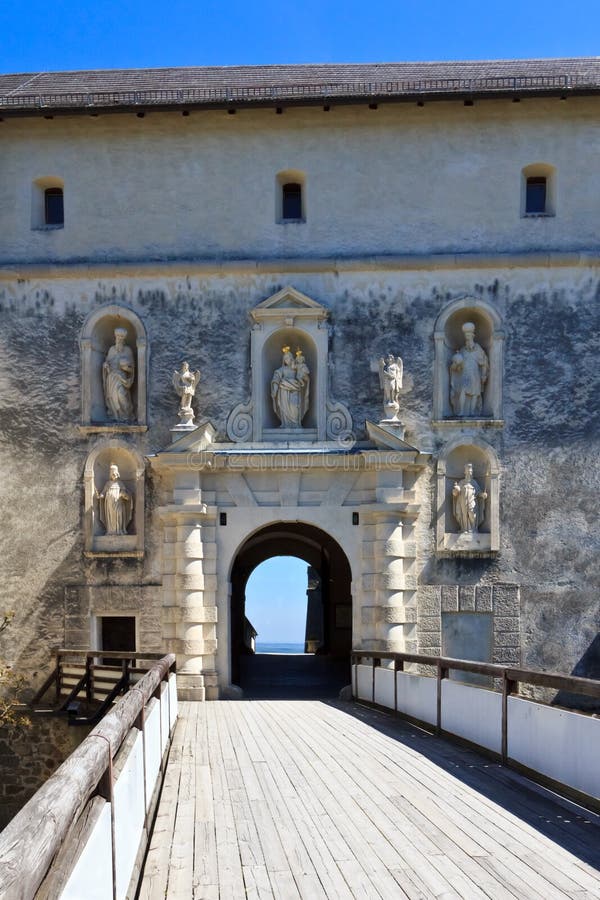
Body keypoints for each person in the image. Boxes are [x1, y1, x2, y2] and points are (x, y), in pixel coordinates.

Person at [449, 322, 489, 416]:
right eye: (466, 335)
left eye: (469, 335)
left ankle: (472, 412)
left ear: (472, 336)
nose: (467, 337)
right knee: (463, 391)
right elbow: (458, 365)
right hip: (465, 373)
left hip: (475, 374)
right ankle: (462, 411)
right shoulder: (462, 350)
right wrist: (456, 365)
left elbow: (483, 363)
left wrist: (483, 374)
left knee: (475, 393)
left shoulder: (478, 349)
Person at [271, 346, 308, 428]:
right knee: (284, 409)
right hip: (283, 392)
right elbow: (276, 378)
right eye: (285, 358)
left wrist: (303, 377)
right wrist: (275, 389)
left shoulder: (296, 369)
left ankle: (296, 424)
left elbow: (303, 377)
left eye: (289, 358)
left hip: (295, 391)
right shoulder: (282, 369)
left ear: (292, 358)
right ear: (284, 360)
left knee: (295, 408)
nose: (287, 360)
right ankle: (285, 424)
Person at [103, 327, 135, 421]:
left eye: (121, 337)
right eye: (118, 336)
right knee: (113, 397)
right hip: (112, 377)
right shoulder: (111, 350)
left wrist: (126, 367)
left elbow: (132, 368)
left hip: (122, 377)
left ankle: (126, 415)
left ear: (124, 338)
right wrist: (105, 365)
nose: (119, 339)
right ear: (115, 337)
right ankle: (115, 415)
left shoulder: (128, 350)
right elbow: (107, 362)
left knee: (121, 394)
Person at [96, 464, 133, 535]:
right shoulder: (108, 483)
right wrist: (101, 495)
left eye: (115, 474)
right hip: (109, 503)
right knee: (111, 516)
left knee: (118, 515)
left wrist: (123, 494)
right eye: (112, 474)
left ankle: (119, 530)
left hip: (118, 502)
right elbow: (103, 492)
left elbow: (125, 493)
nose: (114, 476)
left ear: (117, 474)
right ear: (110, 474)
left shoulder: (120, 483)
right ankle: (111, 531)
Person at [452, 463, 487, 534]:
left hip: (472, 500)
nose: (469, 472)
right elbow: (455, 493)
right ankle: (464, 529)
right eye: (468, 471)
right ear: (465, 472)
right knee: (463, 514)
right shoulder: (461, 482)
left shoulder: (474, 482)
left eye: (470, 471)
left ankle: (473, 529)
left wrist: (483, 495)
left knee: (472, 513)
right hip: (462, 501)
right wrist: (456, 490)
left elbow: (478, 492)